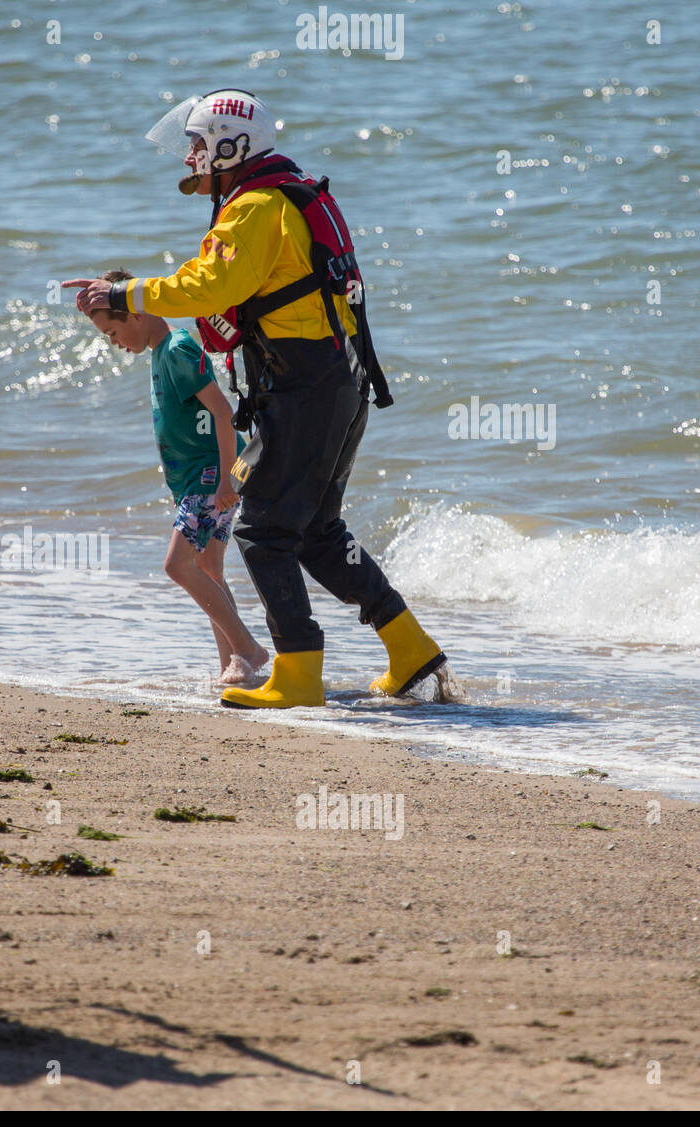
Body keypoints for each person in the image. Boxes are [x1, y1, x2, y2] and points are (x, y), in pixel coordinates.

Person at [64, 89, 445, 709]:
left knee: (265, 532)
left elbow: (210, 283)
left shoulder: (255, 207)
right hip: (337, 383)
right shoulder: (283, 194)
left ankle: (296, 673)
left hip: (303, 388)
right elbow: (232, 300)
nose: (189, 156)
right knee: (318, 532)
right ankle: (410, 647)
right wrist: (128, 293)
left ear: (228, 145)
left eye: (195, 144)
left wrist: (127, 294)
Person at [74, 269, 269, 687]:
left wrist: (223, 484)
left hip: (210, 477)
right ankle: (234, 668)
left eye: (112, 332)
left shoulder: (178, 349)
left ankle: (247, 649)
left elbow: (222, 412)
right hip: (203, 479)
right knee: (209, 569)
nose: (115, 344)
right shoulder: (161, 351)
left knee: (177, 566)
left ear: (137, 315)